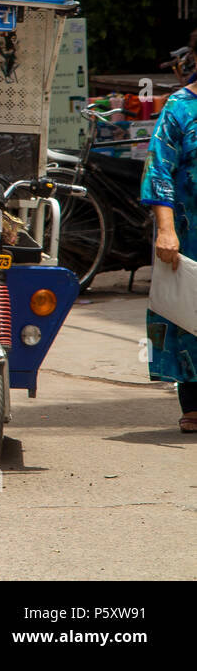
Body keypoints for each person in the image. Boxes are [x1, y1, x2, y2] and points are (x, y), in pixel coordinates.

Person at [141, 29, 197, 434]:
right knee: (188, 314)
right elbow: (159, 171)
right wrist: (166, 230)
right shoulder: (179, 108)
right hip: (188, 229)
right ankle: (193, 401)